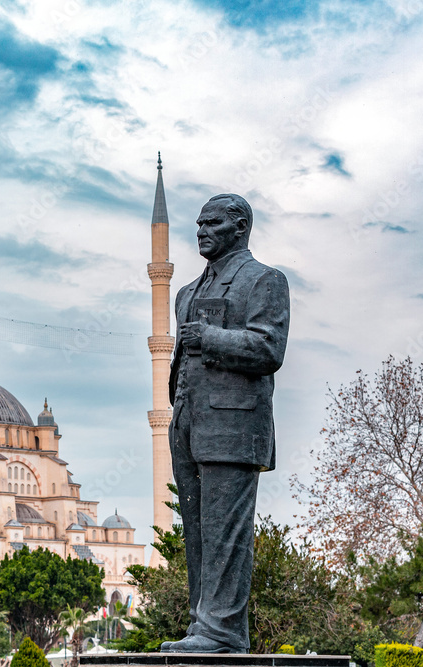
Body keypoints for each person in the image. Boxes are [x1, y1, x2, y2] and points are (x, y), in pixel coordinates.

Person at [161, 193, 290, 654]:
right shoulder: (186, 293)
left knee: (226, 534)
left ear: (240, 228)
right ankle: (203, 626)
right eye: (198, 223)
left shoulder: (264, 281)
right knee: (197, 532)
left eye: (212, 223)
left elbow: (268, 349)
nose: (201, 231)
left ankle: (223, 632)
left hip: (234, 429)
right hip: (189, 427)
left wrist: (211, 338)